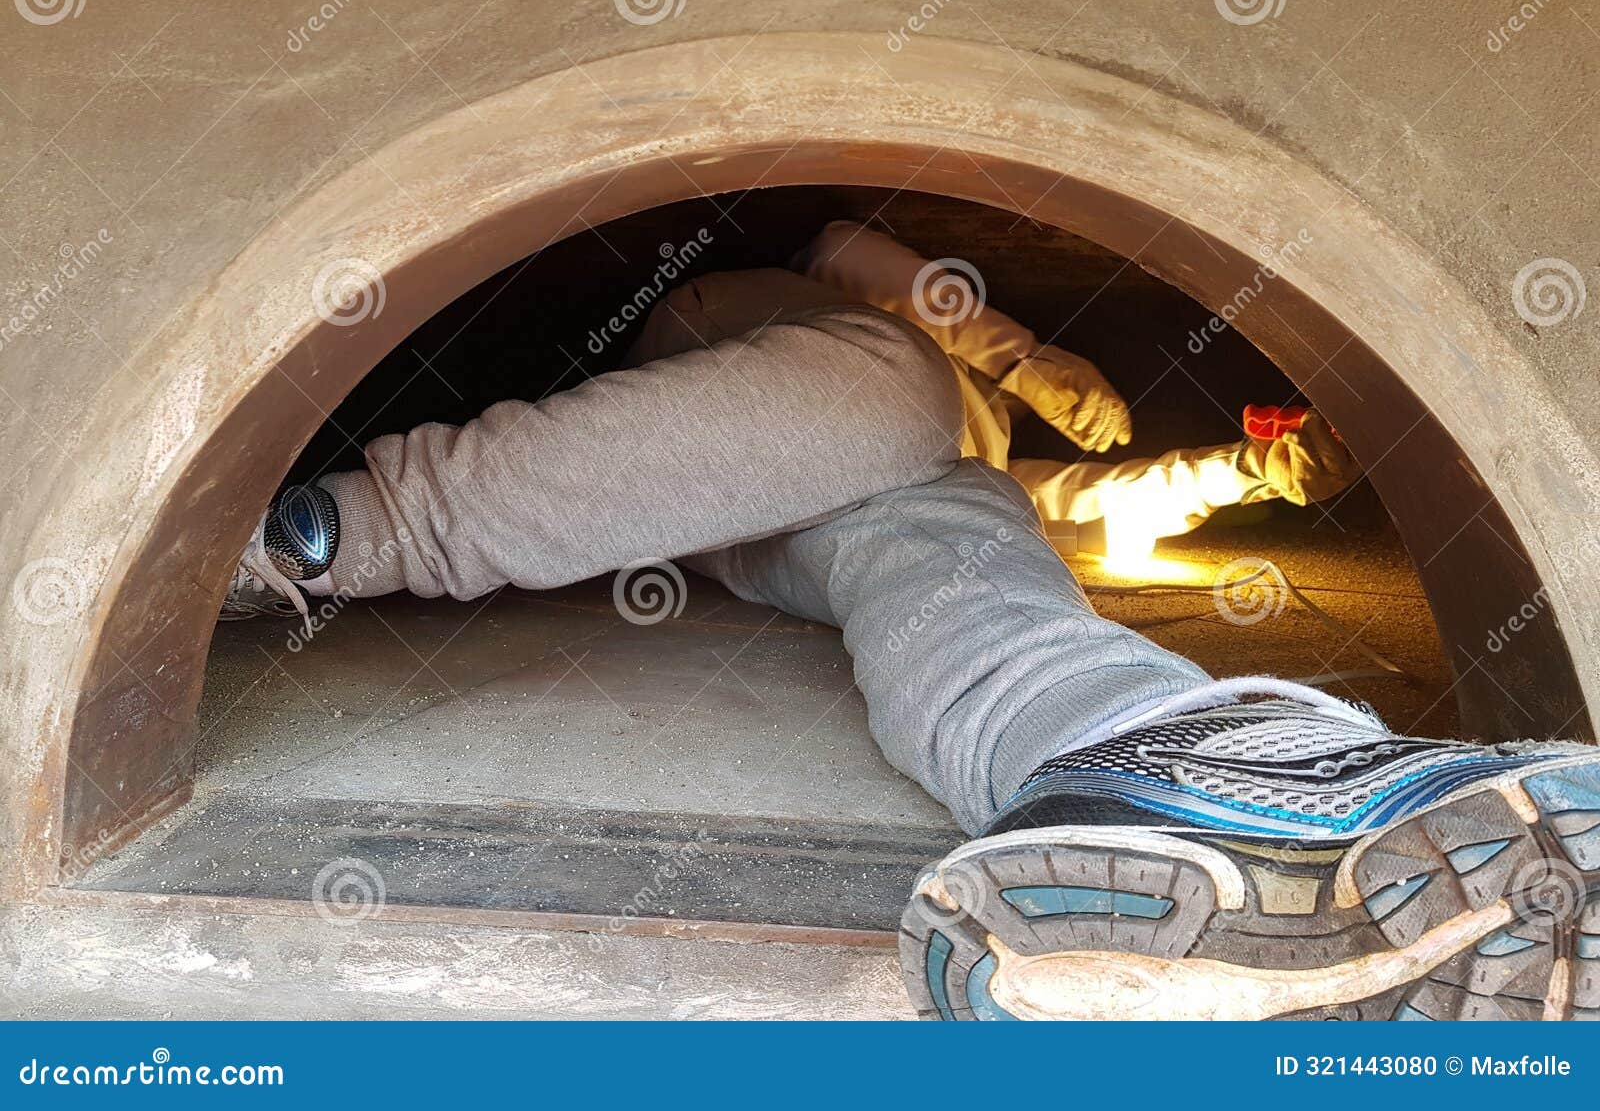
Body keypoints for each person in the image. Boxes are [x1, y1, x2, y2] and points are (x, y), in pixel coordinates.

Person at [223, 220, 1598, 1022]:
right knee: (896, 395)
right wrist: (1028, 360)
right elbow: (857, 253)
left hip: (789, 505)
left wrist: (1257, 472)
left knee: (958, 530)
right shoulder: (915, 351)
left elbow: (1112, 500)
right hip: (737, 366)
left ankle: (1159, 762)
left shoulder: (988, 469)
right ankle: (322, 533)